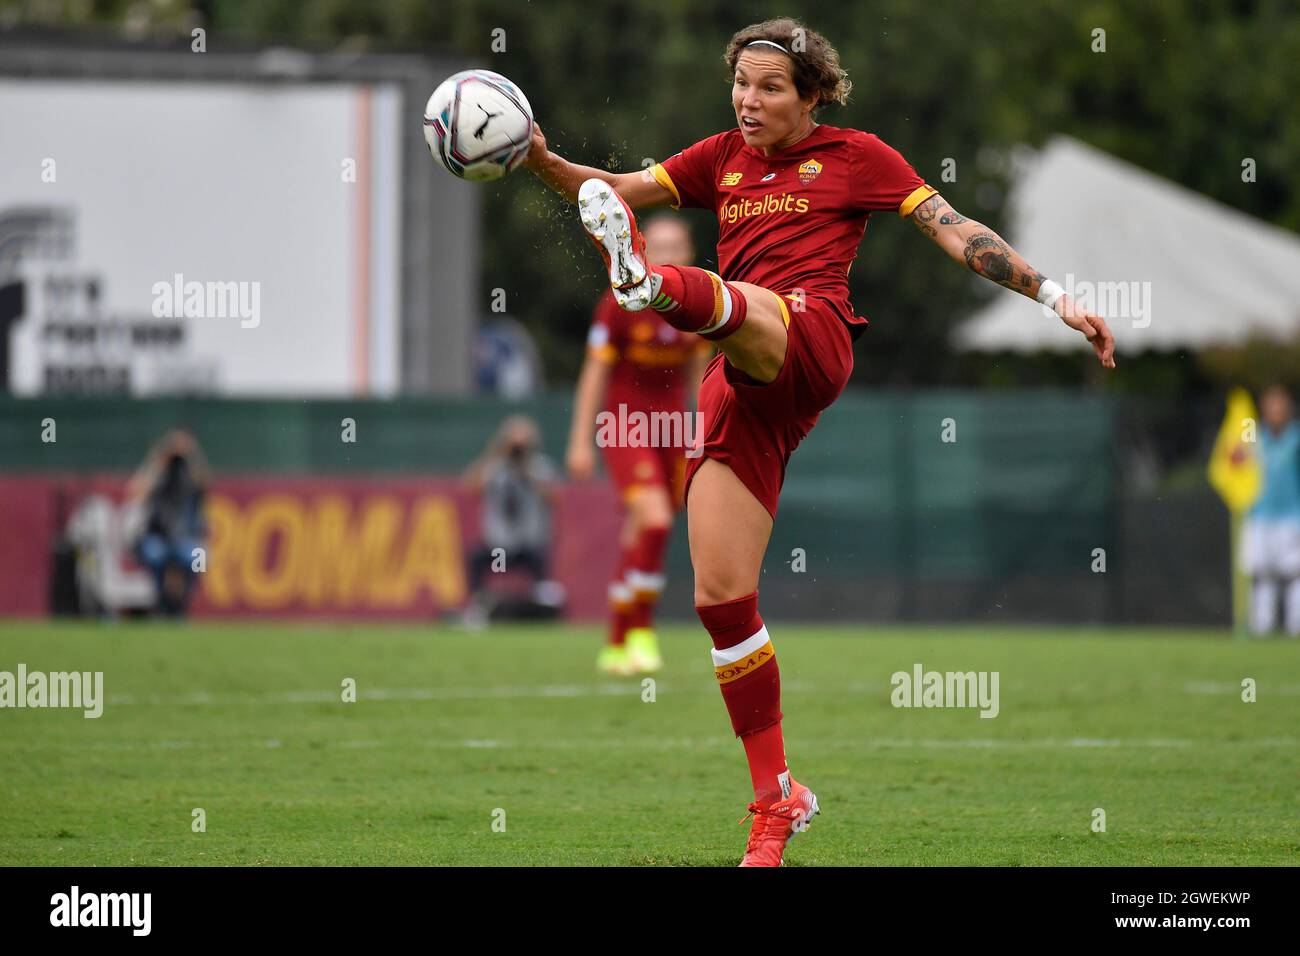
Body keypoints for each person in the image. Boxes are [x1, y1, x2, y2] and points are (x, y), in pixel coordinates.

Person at [523, 17, 1116, 865]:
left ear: (811, 95)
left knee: (751, 304)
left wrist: (1055, 298)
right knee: (720, 602)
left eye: (769, 87)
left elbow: (953, 229)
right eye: (741, 84)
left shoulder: (858, 156)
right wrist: (543, 161)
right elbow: (611, 189)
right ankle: (777, 800)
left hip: (812, 333)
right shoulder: (718, 157)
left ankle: (651, 283)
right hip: (741, 381)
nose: (749, 100)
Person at [567, 213, 711, 676]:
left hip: (672, 430)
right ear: (644, 249)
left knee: (643, 529)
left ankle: (615, 642)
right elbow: (595, 374)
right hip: (623, 425)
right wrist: (580, 442)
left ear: (687, 253)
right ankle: (643, 631)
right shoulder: (620, 301)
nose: (667, 254)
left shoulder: (698, 305)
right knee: (653, 519)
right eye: (659, 245)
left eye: (676, 246)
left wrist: (705, 437)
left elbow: (700, 381)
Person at [462, 415, 564, 625]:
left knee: (539, 560)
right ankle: (479, 606)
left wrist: (527, 473)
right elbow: (471, 485)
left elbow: (554, 496)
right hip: (500, 549)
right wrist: (496, 452)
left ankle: (542, 605)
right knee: (476, 558)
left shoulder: (539, 467)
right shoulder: (495, 467)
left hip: (528, 547)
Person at [126, 428, 210, 617]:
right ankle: (161, 602)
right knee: (155, 556)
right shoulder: (159, 473)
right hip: (157, 536)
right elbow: (136, 491)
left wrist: (190, 453)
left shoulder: (189, 475)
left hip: (186, 538)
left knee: (198, 559)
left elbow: (204, 480)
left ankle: (181, 604)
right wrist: (160, 457)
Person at [1243, 385, 1300, 636]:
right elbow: (1236, 463)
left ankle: (1295, 625)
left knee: (1294, 572)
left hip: (1292, 515)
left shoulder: (1296, 438)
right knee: (1262, 573)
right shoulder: (1254, 437)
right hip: (1259, 515)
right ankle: (1261, 627)